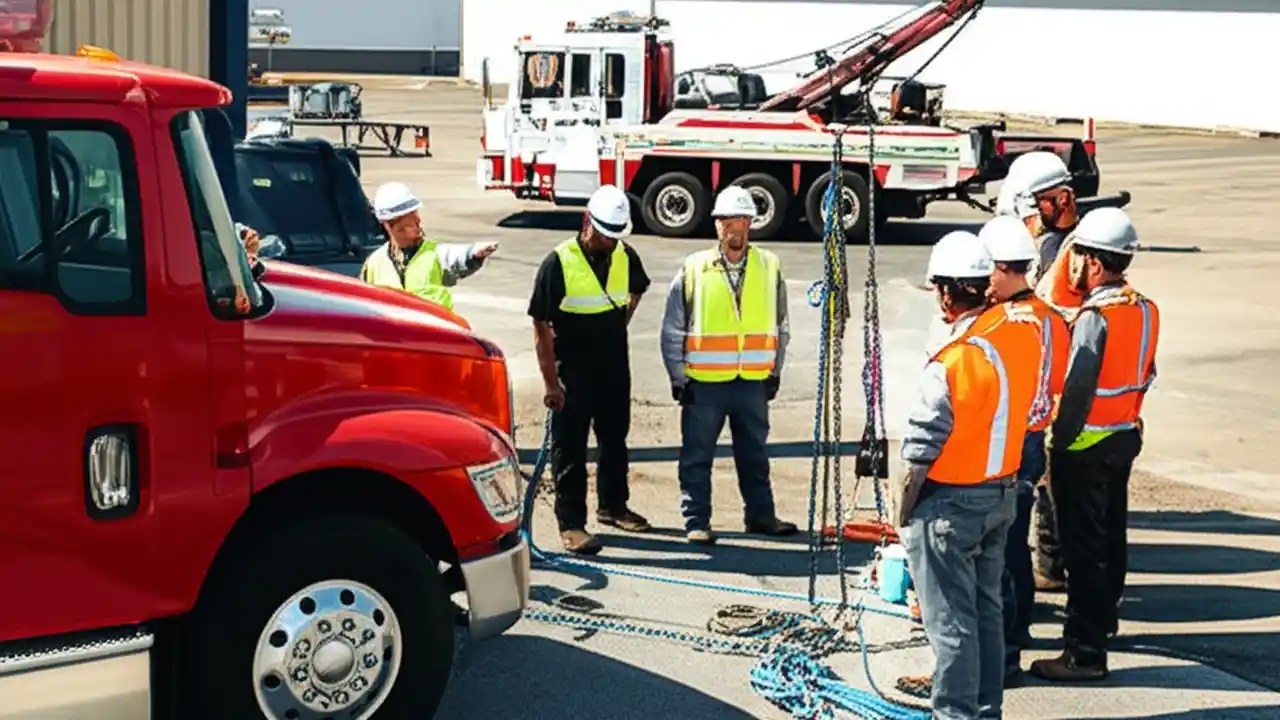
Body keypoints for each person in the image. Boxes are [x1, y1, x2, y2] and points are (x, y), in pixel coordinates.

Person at [890, 230, 1040, 720]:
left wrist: (902, 512)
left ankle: (954, 714)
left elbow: (919, 448)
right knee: (986, 612)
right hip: (1001, 494)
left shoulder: (952, 362)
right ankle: (985, 709)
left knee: (950, 622)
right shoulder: (1020, 335)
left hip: (950, 505)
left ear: (945, 292)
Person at [1030, 208, 1159, 682]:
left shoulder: (1095, 317)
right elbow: (1147, 372)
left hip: (1082, 447)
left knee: (1082, 552)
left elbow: (1080, 385)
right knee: (1110, 537)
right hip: (1123, 438)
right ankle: (1103, 623)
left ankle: (1083, 654)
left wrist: (1058, 444)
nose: (1074, 265)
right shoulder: (1145, 308)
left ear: (1096, 264)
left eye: (1079, 256)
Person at [660, 185, 797, 545]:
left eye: (741, 220)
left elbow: (781, 326)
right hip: (704, 383)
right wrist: (678, 377)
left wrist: (775, 371)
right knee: (696, 457)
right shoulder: (693, 268)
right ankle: (696, 522)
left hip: (752, 382)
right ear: (717, 225)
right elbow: (673, 328)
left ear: (751, 224)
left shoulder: (769, 266)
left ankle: (761, 516)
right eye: (727, 221)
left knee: (754, 455)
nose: (735, 228)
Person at [528, 184, 653, 555]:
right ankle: (571, 523)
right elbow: (540, 327)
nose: (611, 243)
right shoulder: (559, 262)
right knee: (570, 448)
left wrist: (618, 325)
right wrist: (551, 383)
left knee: (615, 440)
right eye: (605, 235)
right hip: (573, 370)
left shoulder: (625, 255)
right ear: (587, 222)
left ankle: (613, 507)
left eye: (617, 236)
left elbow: (637, 290)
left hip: (614, 366)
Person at [979, 216, 1070, 683]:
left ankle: (1006, 651)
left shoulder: (1000, 323)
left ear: (1002, 268)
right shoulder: (1052, 318)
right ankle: (1019, 633)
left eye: (985, 271)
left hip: (1004, 447)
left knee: (999, 551)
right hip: (1034, 442)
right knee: (1016, 548)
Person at [997, 150, 1079, 593]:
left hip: (1050, 386)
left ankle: (1048, 567)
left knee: (1043, 485)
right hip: (1053, 382)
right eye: (1053, 200)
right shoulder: (1044, 246)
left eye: (1064, 197)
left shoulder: (1055, 250)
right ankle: (1050, 565)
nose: (1064, 208)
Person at [360, 182, 497, 312]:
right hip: (396, 332)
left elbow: (453, 257)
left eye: (417, 218)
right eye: (411, 222)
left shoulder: (433, 253)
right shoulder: (374, 263)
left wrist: (473, 254)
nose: (419, 225)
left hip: (436, 330)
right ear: (390, 225)